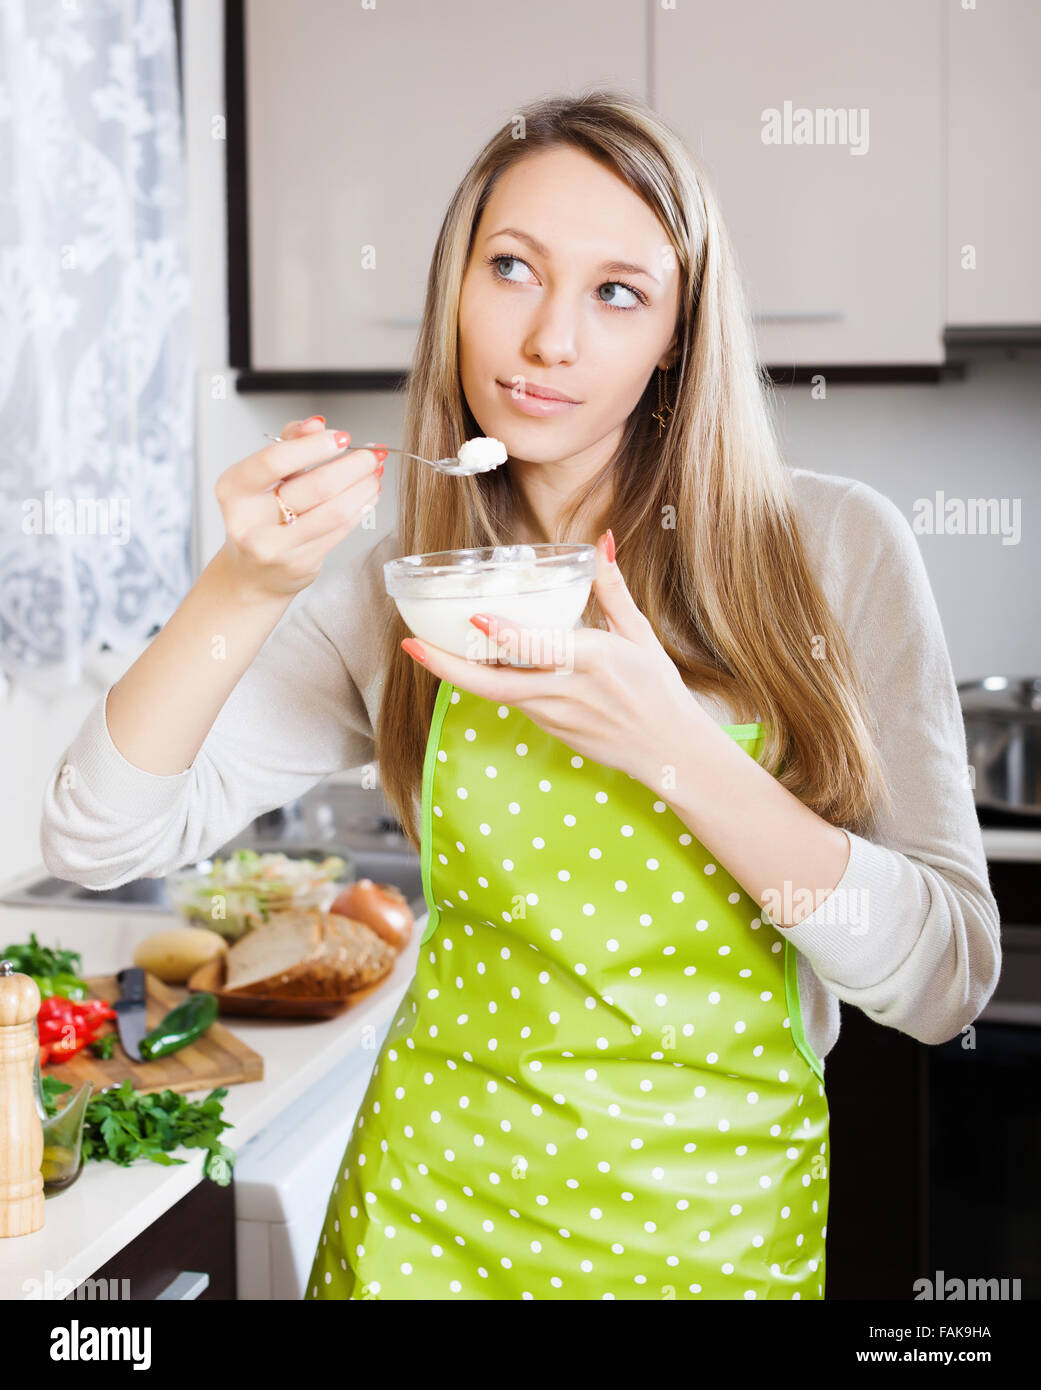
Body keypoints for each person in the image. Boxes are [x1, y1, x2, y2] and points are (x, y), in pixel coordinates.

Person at [40, 90, 1000, 1301]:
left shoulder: (832, 549)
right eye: (512, 267)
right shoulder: (403, 588)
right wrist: (241, 584)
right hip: (424, 1224)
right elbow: (93, 834)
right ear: (454, 286)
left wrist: (676, 751)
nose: (549, 338)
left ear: (676, 337)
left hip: (709, 1241)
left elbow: (949, 980)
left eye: (617, 292)